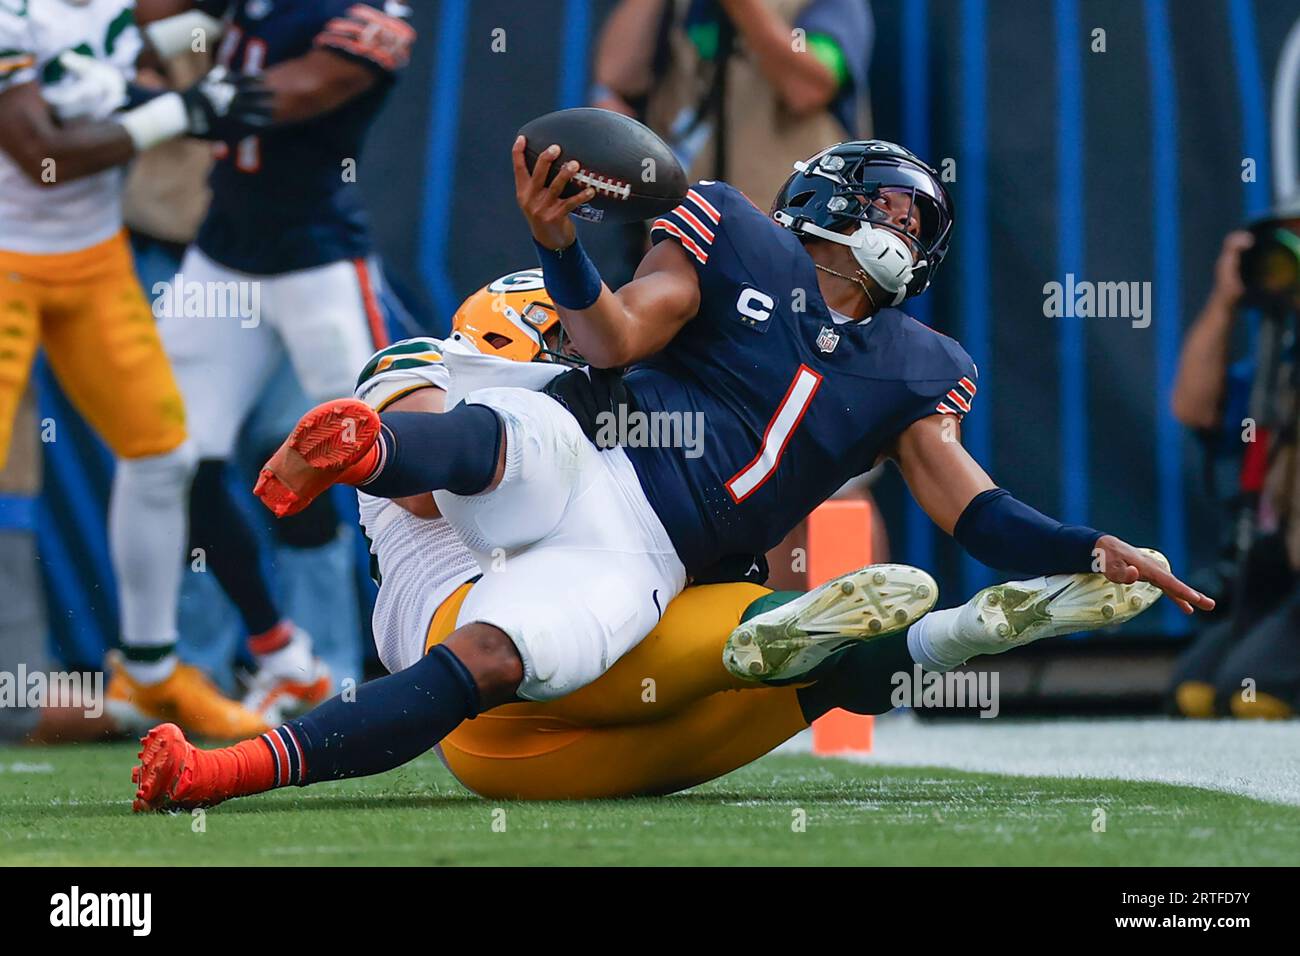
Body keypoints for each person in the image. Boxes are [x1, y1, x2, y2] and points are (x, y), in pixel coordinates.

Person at [215, 138, 1210, 800]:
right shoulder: (717, 236)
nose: (904, 231)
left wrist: (1085, 545)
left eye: (920, 222)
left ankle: (881, 633)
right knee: (520, 442)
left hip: (643, 558)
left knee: (676, 662)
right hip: (518, 521)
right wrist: (558, 252)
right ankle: (355, 448)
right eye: (892, 209)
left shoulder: (920, 363)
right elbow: (587, 352)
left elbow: (975, 507)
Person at [0, 0, 275, 738]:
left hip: (93, 262)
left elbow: (101, 85)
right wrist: (180, 112)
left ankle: (150, 673)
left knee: (164, 457)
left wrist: (179, 99)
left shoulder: (117, 9)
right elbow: (39, 153)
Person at [148, 0, 416, 720]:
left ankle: (446, 649)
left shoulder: (366, 14)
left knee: (385, 457)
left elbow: (292, 91)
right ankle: (282, 657)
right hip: (221, 254)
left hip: (317, 263)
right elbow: (142, 27)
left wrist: (137, 109)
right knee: (172, 457)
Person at [1169, 219, 1300, 718]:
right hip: (1280, 582)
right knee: (1194, 693)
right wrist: (1228, 301)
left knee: (1257, 696)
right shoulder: (1280, 364)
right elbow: (1195, 407)